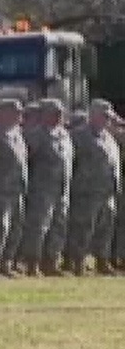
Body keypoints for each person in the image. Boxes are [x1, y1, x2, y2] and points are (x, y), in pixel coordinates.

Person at [66, 99, 121, 276]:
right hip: (86, 192)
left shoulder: (108, 137)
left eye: (109, 117)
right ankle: (77, 261)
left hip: (107, 191)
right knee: (83, 227)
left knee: (105, 228)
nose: (107, 120)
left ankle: (102, 261)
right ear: (93, 115)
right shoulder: (79, 136)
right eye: (104, 116)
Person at [21, 98, 74, 276]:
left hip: (61, 188)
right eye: (54, 113)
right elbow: (26, 160)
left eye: (60, 113)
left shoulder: (64, 134)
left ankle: (51, 262)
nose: (58, 116)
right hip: (41, 189)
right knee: (38, 227)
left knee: (58, 226)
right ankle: (32, 263)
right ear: (43, 115)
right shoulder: (35, 135)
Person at [0, 99, 28, 277]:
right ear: (3, 114)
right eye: (15, 112)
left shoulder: (18, 134)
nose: (19, 116)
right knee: (0, 228)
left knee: (16, 228)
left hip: (17, 189)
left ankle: (6, 263)